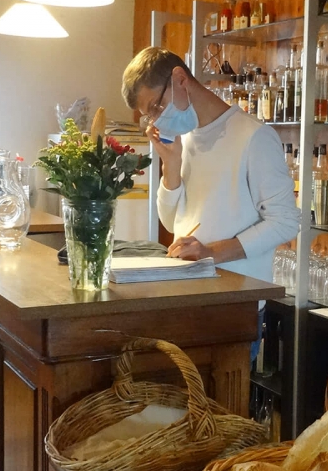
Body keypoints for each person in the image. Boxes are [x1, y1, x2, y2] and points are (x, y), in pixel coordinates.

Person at [120, 47, 298, 290]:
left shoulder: (254, 136)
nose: (156, 120)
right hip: (189, 292)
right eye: (149, 115)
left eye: (156, 107)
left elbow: (285, 222)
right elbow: (172, 224)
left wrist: (210, 252)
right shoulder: (184, 136)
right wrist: (170, 168)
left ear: (181, 79)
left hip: (236, 300)